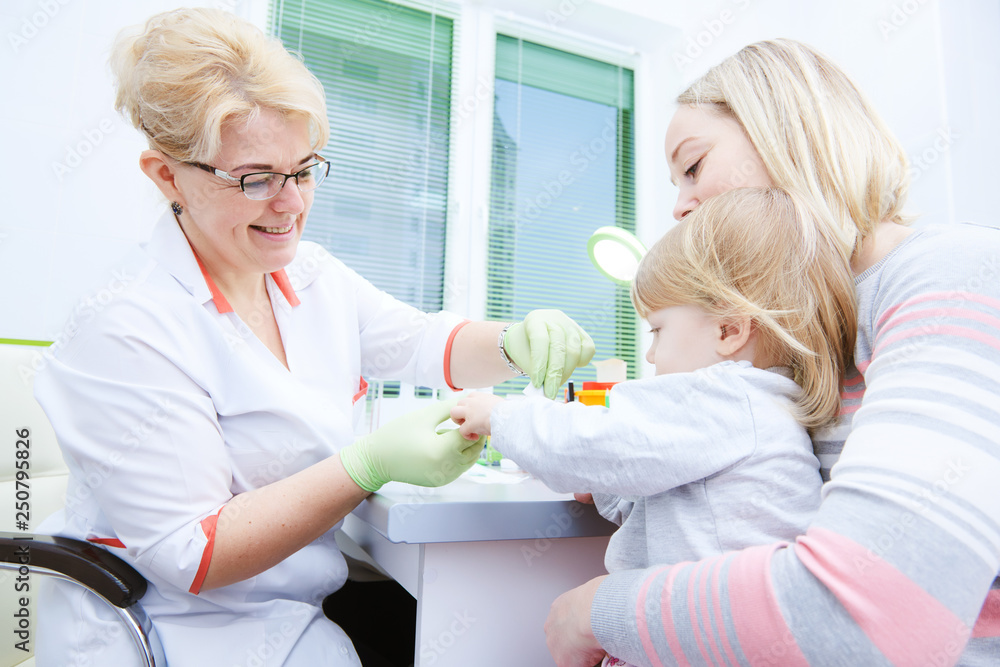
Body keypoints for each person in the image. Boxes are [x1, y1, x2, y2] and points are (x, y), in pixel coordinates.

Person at [31, 8, 594, 666]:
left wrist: (513, 341)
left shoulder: (308, 274)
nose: (292, 203)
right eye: (256, 179)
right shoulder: (124, 323)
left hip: (289, 616)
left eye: (303, 169)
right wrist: (366, 465)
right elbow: (194, 551)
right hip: (171, 631)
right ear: (167, 175)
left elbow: (423, 343)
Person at [542, 39, 1000, 666]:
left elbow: (861, 620)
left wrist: (595, 613)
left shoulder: (956, 275)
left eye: (694, 166)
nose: (679, 206)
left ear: (789, 130)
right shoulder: (802, 326)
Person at [452, 185, 856, 666]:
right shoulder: (759, 406)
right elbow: (671, 496)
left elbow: (603, 441)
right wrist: (602, 485)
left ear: (729, 331)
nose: (650, 353)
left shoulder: (723, 397)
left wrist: (498, 416)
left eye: (658, 330)